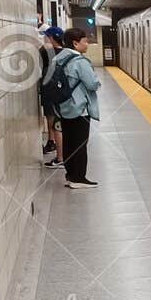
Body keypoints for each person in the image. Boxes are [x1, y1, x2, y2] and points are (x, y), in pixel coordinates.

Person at [50, 27, 101, 189]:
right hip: (79, 108)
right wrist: (97, 81)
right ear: (75, 43)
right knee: (80, 143)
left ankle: (70, 175)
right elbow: (92, 84)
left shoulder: (58, 59)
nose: (87, 44)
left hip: (63, 106)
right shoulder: (79, 62)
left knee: (69, 142)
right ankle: (79, 178)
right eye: (85, 41)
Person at [39, 26, 64, 169]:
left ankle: (55, 146)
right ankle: (55, 145)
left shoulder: (46, 52)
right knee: (58, 121)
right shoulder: (67, 53)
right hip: (62, 93)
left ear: (51, 38)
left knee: (53, 119)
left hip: (50, 91)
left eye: (46, 37)